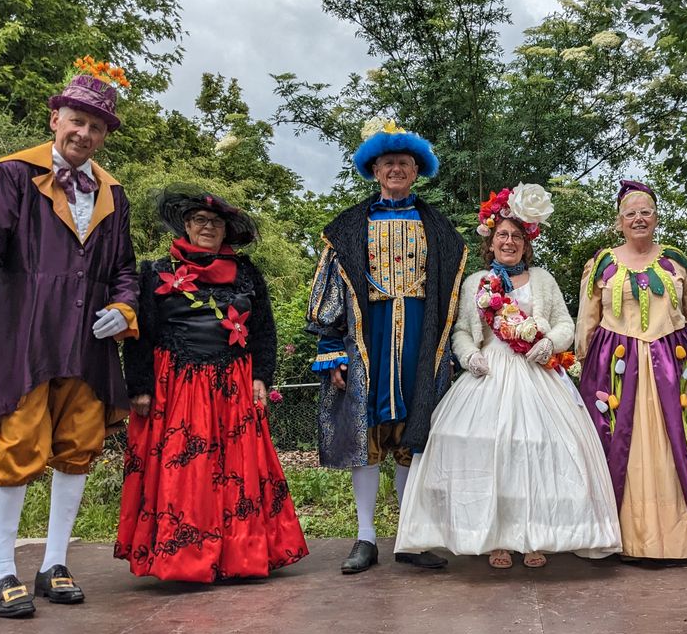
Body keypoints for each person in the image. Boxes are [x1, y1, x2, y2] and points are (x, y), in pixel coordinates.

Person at [0, 60, 138, 618]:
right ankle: (3, 571)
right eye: (76, 121)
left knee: (77, 447)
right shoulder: (12, 175)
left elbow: (123, 266)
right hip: (24, 332)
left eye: (96, 128)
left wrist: (124, 308)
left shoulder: (112, 193)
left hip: (86, 340)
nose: (84, 134)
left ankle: (54, 562)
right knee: (17, 445)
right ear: (55, 118)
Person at [396, 184, 621, 568]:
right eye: (502, 234)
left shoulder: (543, 280)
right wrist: (469, 356)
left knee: (535, 450)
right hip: (489, 374)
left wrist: (550, 342)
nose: (509, 241)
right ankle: (494, 539)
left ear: (526, 242)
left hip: (536, 372)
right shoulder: (475, 283)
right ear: (491, 240)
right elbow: (463, 332)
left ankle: (534, 536)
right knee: (487, 451)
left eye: (516, 236)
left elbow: (566, 324)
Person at [114, 187, 308, 581]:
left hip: (233, 385)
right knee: (186, 471)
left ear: (226, 231)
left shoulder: (247, 272)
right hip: (177, 387)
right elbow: (142, 334)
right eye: (200, 221)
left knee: (236, 471)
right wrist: (139, 386)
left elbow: (263, 330)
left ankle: (237, 556)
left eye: (215, 223)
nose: (207, 227)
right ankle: (183, 559)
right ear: (186, 225)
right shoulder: (154, 272)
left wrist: (261, 376)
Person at [306, 118, 467, 574]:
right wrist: (331, 347)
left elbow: (453, 296)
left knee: (412, 435)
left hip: (422, 335)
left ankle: (410, 537)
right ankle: (365, 536)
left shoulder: (440, 229)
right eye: (387, 163)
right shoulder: (348, 226)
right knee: (367, 434)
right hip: (366, 336)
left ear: (417, 171)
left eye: (404, 163)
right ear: (374, 170)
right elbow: (330, 290)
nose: (396, 169)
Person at [576, 180, 687, 560]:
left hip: (675, 362)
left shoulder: (676, 260)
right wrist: (582, 361)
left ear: (657, 217)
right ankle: (621, 538)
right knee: (616, 444)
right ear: (618, 222)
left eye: (645, 211)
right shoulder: (602, 263)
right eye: (630, 213)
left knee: (683, 443)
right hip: (614, 364)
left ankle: (685, 538)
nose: (638, 219)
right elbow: (588, 318)